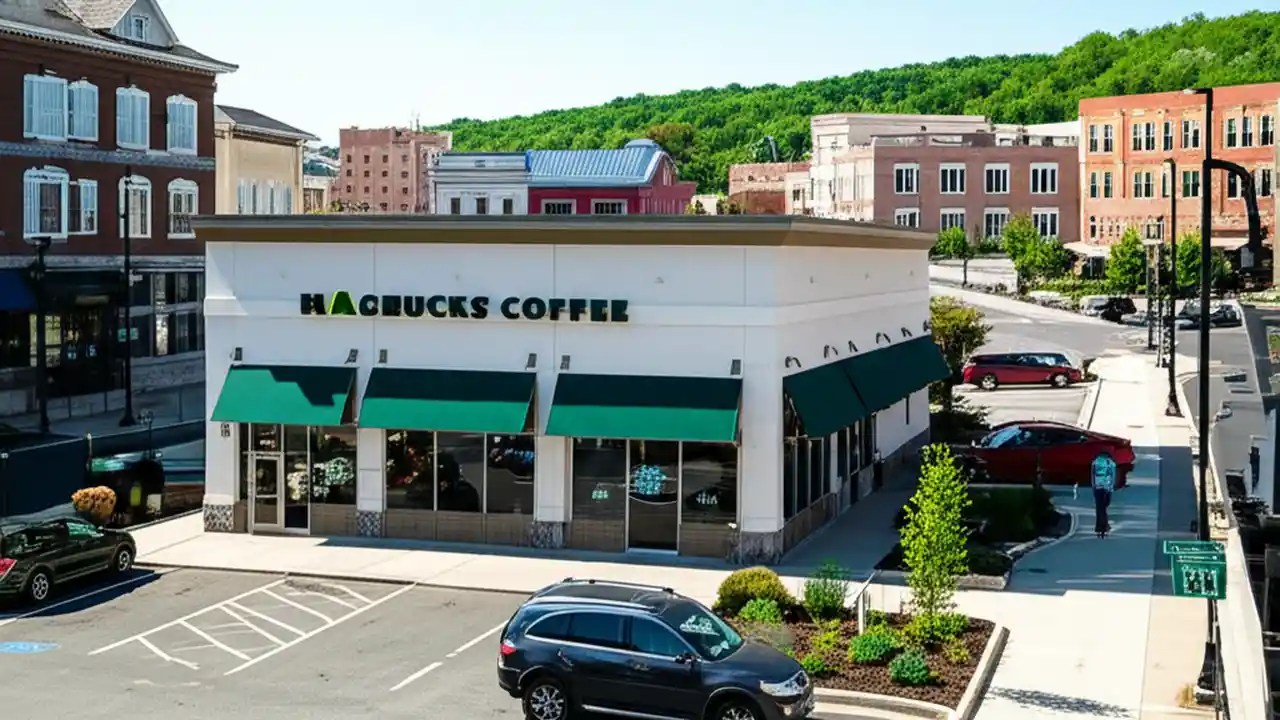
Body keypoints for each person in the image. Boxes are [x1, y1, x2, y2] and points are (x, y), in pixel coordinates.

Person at [1091, 452, 1117, 538]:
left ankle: (1099, 527)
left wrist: (1094, 486)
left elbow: (1092, 475)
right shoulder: (1111, 463)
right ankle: (1105, 526)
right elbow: (1113, 476)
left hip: (1097, 487)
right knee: (1104, 507)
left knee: (1099, 508)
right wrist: (1111, 488)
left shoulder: (1095, 462)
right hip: (1107, 487)